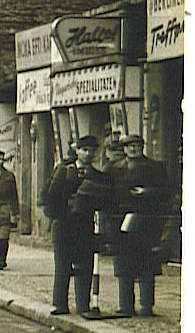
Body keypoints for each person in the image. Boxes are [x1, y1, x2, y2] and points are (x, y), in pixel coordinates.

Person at [40, 134, 112, 320]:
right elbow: (47, 196)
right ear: (77, 151)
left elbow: (106, 201)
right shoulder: (63, 171)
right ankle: (60, 304)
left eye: (91, 151)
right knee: (63, 265)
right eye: (84, 150)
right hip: (63, 224)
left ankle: (83, 305)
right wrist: (59, 214)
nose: (88, 154)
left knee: (85, 264)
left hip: (85, 225)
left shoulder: (98, 176)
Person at [110, 135, 170, 317]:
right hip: (120, 223)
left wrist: (148, 192)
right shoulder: (113, 169)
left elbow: (168, 192)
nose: (133, 149)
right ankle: (125, 306)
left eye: (137, 146)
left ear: (142, 147)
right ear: (124, 149)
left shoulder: (155, 168)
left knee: (146, 266)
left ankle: (146, 306)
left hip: (147, 222)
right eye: (129, 146)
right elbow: (106, 194)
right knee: (124, 266)